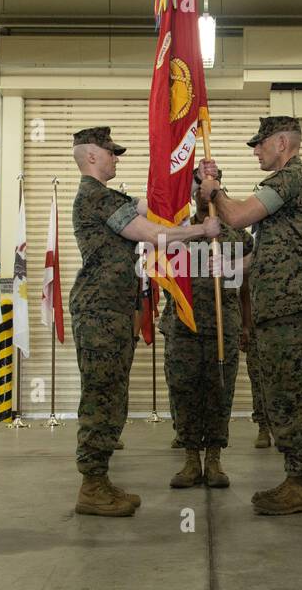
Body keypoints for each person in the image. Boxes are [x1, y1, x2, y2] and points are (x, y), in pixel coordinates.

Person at [69, 126, 219, 517]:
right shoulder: (94, 198)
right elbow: (156, 235)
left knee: (112, 394)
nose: (116, 158)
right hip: (100, 310)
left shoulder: (107, 197)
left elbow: (154, 204)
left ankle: (99, 481)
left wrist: (191, 178)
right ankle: (92, 485)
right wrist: (203, 229)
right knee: (101, 395)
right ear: (90, 157)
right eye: (111, 153)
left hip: (114, 310)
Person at [196, 116, 302, 515]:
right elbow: (261, 250)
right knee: (280, 395)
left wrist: (213, 188)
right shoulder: (285, 190)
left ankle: (301, 483)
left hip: (291, 308)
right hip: (280, 308)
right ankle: (295, 478)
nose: (255, 151)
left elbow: (236, 217)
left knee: (289, 396)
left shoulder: (292, 179)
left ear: (283, 143)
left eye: (260, 144)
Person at [161, 197, 253, 489]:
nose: (203, 194)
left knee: (219, 390)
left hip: (222, 323)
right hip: (184, 323)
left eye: (210, 188)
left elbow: (247, 278)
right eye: (197, 187)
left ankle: (213, 459)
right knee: (184, 389)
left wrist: (247, 323)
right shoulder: (178, 229)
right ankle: (190, 459)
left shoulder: (236, 234)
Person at [240, 276, 272, 448]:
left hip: (280, 330)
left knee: (283, 381)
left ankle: (283, 429)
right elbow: (244, 295)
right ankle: (263, 428)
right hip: (256, 331)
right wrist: (244, 327)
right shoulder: (252, 262)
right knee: (258, 381)